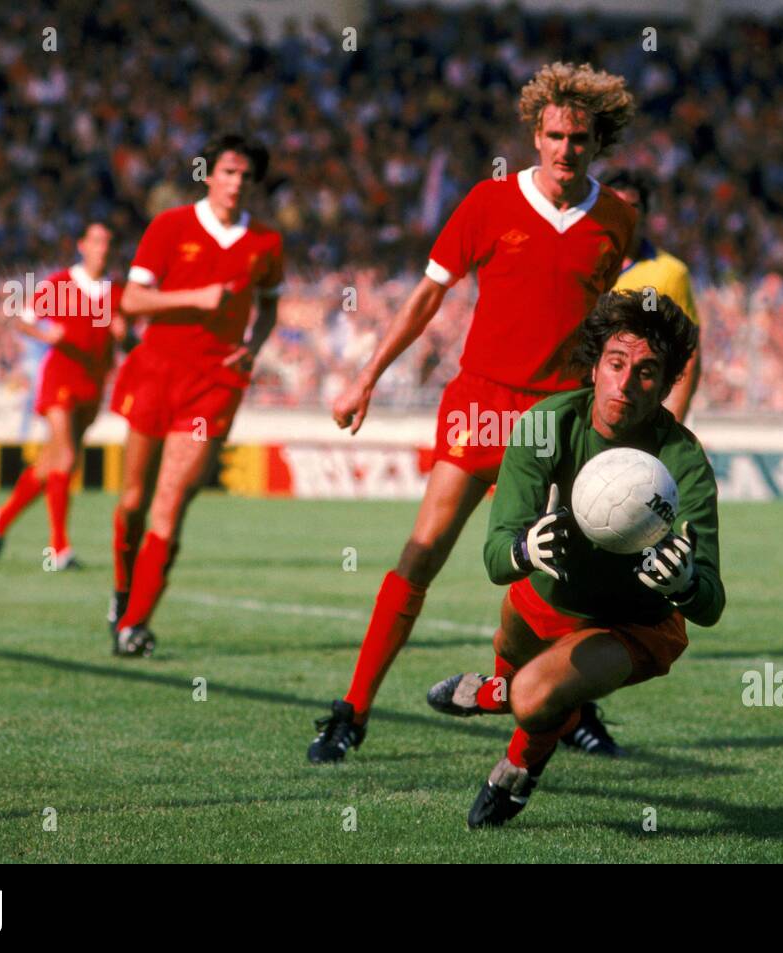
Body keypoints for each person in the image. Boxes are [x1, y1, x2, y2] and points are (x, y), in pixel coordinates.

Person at [308, 62, 638, 762]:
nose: (563, 149)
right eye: (552, 135)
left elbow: (610, 330)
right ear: (534, 132)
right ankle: (352, 709)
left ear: (597, 139)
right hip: (481, 404)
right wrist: (367, 376)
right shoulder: (488, 202)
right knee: (422, 553)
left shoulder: (617, 219)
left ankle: (558, 704)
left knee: (553, 582)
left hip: (556, 420)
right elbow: (426, 298)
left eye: (578, 137)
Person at [426, 289, 725, 828]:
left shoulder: (682, 459)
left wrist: (684, 584)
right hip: (542, 602)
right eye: (616, 363)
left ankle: (519, 762)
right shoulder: (546, 426)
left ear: (666, 385)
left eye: (647, 372)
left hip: (633, 625)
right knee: (524, 674)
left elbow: (711, 602)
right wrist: (524, 548)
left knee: (535, 697)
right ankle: (504, 690)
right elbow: (496, 560)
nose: (626, 384)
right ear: (594, 368)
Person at [107, 133, 284, 657]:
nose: (236, 184)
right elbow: (133, 299)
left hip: (214, 385)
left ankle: (133, 626)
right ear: (209, 175)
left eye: (246, 176)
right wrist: (197, 296)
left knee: (171, 502)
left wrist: (252, 345)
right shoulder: (170, 226)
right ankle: (122, 594)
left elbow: (270, 306)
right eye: (228, 172)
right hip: (157, 372)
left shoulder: (267, 244)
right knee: (133, 501)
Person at [0, 223, 125, 570]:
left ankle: (1, 519)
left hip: (92, 383)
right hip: (60, 379)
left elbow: (126, 335)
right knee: (64, 458)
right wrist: (46, 336)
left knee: (54, 464)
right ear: (82, 246)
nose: (101, 249)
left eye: (107, 242)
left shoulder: (116, 291)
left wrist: (124, 334)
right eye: (96, 241)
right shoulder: (61, 283)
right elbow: (20, 319)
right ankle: (59, 548)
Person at [607, 170, 702, 422]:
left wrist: (672, 422)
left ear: (646, 214)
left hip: (639, 413)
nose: (625, 214)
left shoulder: (670, 273)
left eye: (633, 207)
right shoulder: (582, 267)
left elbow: (689, 355)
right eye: (616, 206)